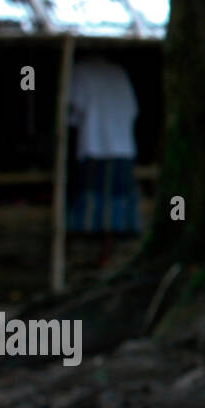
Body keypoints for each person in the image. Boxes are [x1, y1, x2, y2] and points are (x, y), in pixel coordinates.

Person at [67, 51, 141, 259]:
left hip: (94, 145)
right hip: (123, 148)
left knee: (90, 198)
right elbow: (133, 110)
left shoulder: (80, 72)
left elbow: (75, 108)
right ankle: (106, 255)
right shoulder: (119, 73)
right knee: (115, 201)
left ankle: (77, 253)